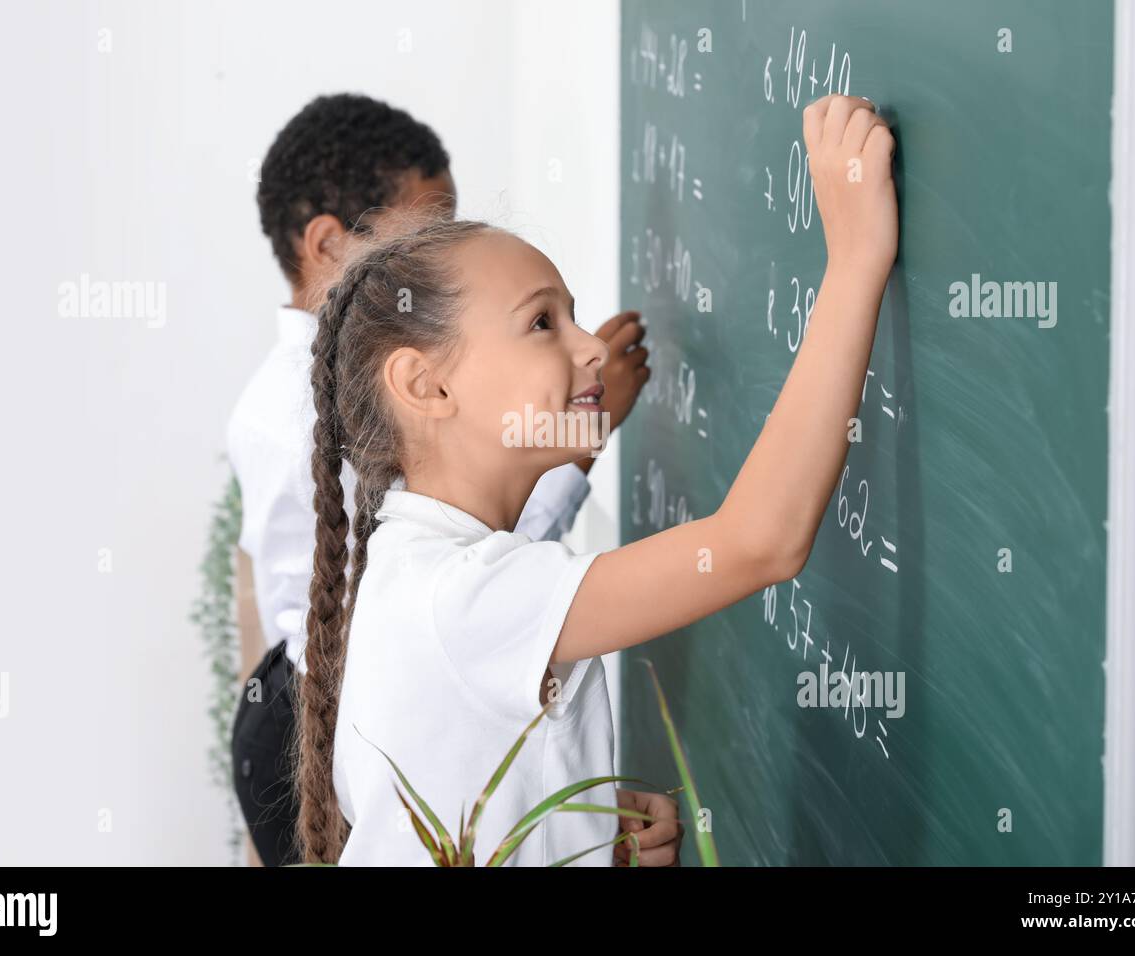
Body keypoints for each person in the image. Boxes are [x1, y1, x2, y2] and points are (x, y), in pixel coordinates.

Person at [292, 94, 898, 865]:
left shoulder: (424, 571)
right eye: (542, 323)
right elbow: (760, 541)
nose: (587, 348)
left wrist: (571, 826)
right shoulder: (463, 593)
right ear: (426, 387)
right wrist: (854, 257)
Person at [226, 93, 655, 865]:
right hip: (308, 720)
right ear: (327, 244)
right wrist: (579, 440)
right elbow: (476, 575)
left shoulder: (313, 388)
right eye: (425, 230)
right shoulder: (307, 413)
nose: (442, 251)